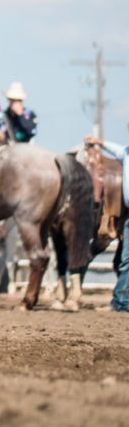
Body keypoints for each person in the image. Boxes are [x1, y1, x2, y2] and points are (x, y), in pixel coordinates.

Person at [83, 131, 128, 312]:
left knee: (127, 261)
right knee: (126, 260)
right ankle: (121, 302)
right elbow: (115, 148)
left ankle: (120, 303)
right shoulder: (126, 152)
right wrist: (98, 142)